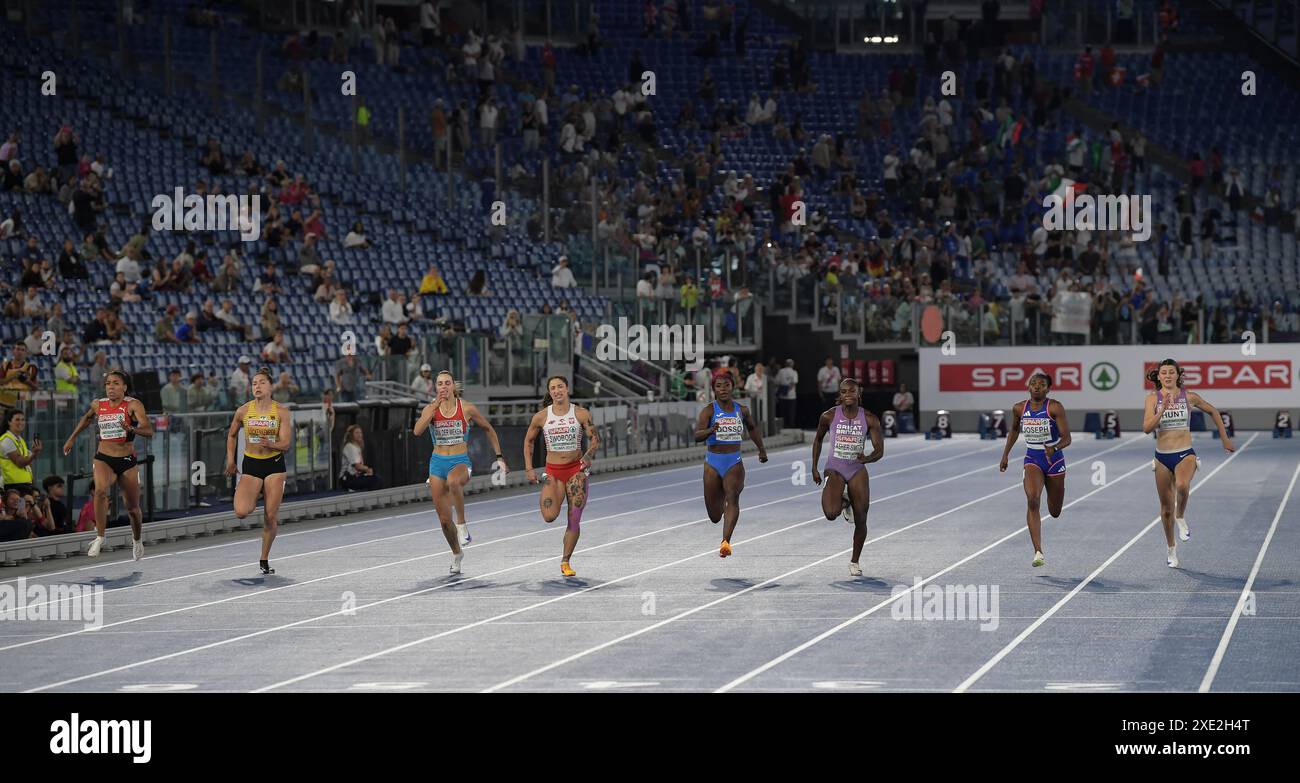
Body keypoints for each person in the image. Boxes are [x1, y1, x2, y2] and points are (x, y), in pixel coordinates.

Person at [1142, 358, 1234, 568]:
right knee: (1165, 510)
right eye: (1163, 372)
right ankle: (1171, 549)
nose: (1167, 376)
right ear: (1159, 376)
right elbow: (1147, 428)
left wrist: (1224, 438)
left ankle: (1181, 516)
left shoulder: (1189, 397)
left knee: (1182, 486)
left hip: (1185, 453)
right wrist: (1162, 410)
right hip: (1162, 456)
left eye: (1171, 372)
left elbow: (1214, 411)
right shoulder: (1151, 399)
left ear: (1178, 375)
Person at [413, 371, 507, 572]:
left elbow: (489, 429)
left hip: (460, 461)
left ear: (453, 387)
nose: (444, 387)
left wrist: (499, 457)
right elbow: (417, 431)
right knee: (444, 521)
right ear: (436, 387)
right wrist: (432, 410)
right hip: (437, 463)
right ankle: (457, 553)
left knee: (454, 482)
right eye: (440, 384)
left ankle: (462, 524)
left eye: (447, 383)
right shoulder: (431, 408)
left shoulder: (466, 408)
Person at [61, 370, 154, 559]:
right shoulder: (98, 404)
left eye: (116, 383)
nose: (111, 387)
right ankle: (100, 537)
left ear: (124, 387)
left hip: (127, 460)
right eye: (108, 384)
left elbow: (148, 430)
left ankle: (137, 539)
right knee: (100, 490)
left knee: (133, 509)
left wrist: (132, 428)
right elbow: (86, 419)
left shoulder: (133, 405)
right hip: (104, 457)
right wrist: (71, 439)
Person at [523, 376, 599, 577]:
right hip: (553, 474)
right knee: (549, 516)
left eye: (560, 387)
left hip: (576, 472)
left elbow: (595, 439)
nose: (557, 391)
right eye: (553, 388)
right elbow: (529, 441)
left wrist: (588, 455)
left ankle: (565, 561)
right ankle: (565, 558)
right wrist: (529, 468)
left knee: (574, 519)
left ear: (567, 389)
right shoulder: (541, 417)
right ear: (549, 392)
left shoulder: (581, 414)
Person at [998, 373, 1073, 568]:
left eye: (1041, 384)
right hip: (1033, 458)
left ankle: (1053, 499)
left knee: (1054, 511)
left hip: (1054, 460)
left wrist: (1054, 448)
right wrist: (1005, 454)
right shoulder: (1019, 408)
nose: (1037, 387)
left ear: (1048, 389)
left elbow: (1067, 438)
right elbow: (1014, 430)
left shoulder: (1055, 407)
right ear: (1028, 387)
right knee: (1032, 499)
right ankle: (1038, 551)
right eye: (1033, 383)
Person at [811, 378, 883, 576]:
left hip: (856, 469)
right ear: (840, 395)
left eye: (851, 391)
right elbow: (817, 440)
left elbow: (880, 451)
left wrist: (867, 458)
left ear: (859, 393)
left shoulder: (869, 418)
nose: (848, 394)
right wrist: (814, 468)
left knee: (861, 518)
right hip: (834, 467)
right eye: (843, 391)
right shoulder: (829, 416)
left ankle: (854, 561)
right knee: (830, 513)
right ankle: (844, 501)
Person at [225, 367, 293, 575]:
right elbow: (232, 435)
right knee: (241, 512)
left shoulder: (281, 411)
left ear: (270, 387)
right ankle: (256, 492)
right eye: (254, 383)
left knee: (270, 516)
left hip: (273, 465)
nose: (257, 386)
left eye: (262, 382)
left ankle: (264, 558)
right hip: (252, 465)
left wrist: (271, 443)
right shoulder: (243, 411)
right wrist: (230, 460)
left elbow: (286, 444)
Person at [695, 373, 768, 558]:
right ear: (714, 389)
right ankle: (721, 512)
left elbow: (752, 429)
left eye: (726, 385)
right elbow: (696, 436)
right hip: (713, 462)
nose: (723, 389)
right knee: (714, 516)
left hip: (733, 461)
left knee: (733, 498)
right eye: (718, 386)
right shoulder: (708, 411)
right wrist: (712, 430)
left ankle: (725, 542)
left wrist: (761, 449)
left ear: (733, 387)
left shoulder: (741, 410)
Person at [0, 409, 40, 494]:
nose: (21, 422)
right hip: (14, 487)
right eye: (17, 419)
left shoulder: (20, 440)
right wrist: (34, 454)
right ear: (9, 422)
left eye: (23, 420)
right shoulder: (7, 440)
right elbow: (20, 462)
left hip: (25, 485)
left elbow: (28, 462)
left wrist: (35, 452)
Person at [339, 425, 379, 492]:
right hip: (347, 479)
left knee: (376, 478)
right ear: (351, 435)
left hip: (355, 476)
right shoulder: (350, 447)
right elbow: (357, 466)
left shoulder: (357, 447)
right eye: (357, 433)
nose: (359, 435)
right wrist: (367, 469)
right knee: (375, 480)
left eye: (360, 433)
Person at [775, 358, 798, 428]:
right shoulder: (794, 372)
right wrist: (787, 389)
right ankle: (791, 426)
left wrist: (782, 391)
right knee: (791, 413)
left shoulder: (781, 371)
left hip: (782, 396)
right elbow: (793, 383)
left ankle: (783, 426)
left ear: (785, 364)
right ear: (792, 365)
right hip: (791, 396)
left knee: (783, 412)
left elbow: (776, 382)